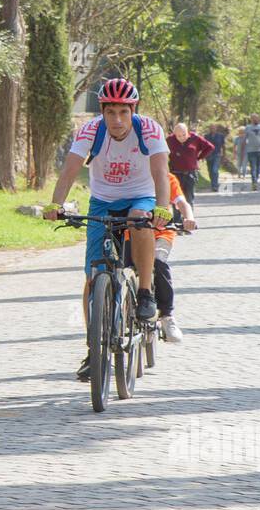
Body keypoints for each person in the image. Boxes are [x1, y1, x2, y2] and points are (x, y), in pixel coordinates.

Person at [43, 77, 173, 382]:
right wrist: (55, 204)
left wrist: (163, 207)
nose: (117, 120)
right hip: (102, 199)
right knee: (93, 276)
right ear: (101, 111)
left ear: (133, 111)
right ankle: (94, 349)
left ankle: (144, 292)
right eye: (110, 112)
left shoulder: (149, 130)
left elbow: (161, 172)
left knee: (139, 218)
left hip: (140, 195)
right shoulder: (90, 130)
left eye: (123, 112)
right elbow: (70, 169)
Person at [153, 172, 197, 343]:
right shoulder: (131, 174)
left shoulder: (167, 178)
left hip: (162, 233)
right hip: (133, 231)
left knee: (157, 261)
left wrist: (189, 218)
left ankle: (166, 315)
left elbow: (182, 203)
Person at [166, 122, 214, 207]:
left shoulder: (195, 138)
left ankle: (188, 219)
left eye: (184, 135)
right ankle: (177, 220)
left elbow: (210, 147)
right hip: (175, 173)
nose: (182, 138)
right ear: (174, 134)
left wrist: (199, 157)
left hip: (190, 174)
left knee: (189, 199)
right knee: (176, 199)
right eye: (179, 136)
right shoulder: (169, 140)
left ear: (187, 132)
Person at [244, 114, 260, 189]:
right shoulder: (248, 127)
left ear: (258, 119)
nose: (255, 120)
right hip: (251, 150)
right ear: (251, 119)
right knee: (253, 167)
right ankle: (254, 182)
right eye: (253, 118)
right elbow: (244, 138)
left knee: (258, 167)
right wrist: (244, 148)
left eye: (256, 118)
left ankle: (256, 179)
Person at [203, 123, 225, 193]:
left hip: (217, 155)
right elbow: (204, 146)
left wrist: (224, 155)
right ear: (209, 129)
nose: (212, 129)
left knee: (214, 170)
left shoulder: (220, 136)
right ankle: (213, 184)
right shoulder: (206, 136)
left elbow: (223, 146)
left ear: (216, 128)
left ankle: (215, 185)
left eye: (214, 128)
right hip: (208, 155)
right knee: (210, 171)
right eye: (211, 128)